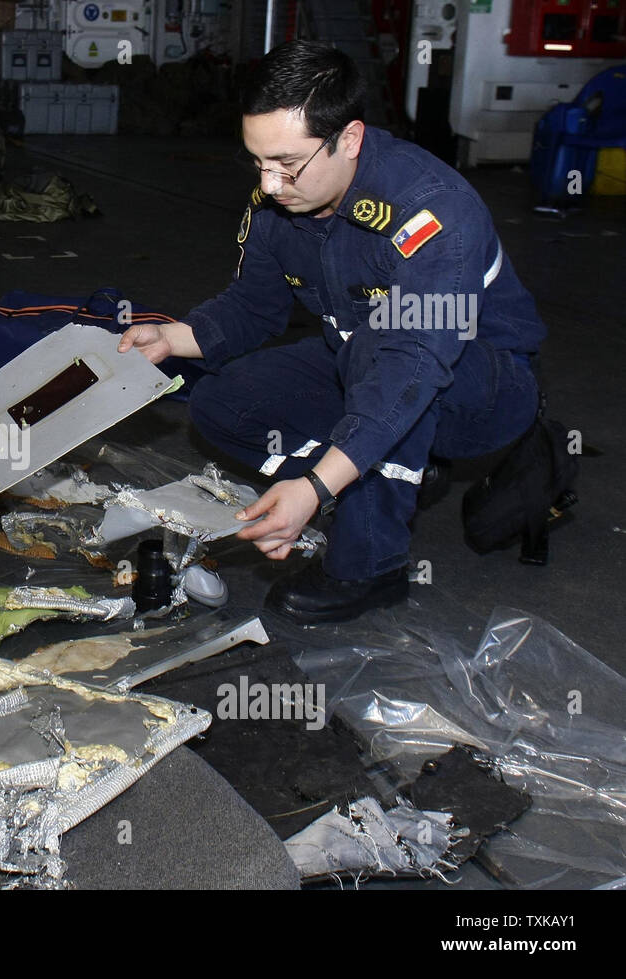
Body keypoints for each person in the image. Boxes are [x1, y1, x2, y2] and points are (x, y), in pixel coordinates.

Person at [118, 40, 546, 624]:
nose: (269, 184)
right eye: (257, 162)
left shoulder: (431, 210)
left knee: (380, 351)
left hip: (481, 384)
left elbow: (412, 364)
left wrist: (316, 488)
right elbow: (253, 306)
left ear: (348, 139)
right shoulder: (279, 201)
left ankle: (371, 564)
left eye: (287, 165)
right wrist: (176, 338)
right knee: (221, 404)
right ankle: (386, 470)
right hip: (361, 359)